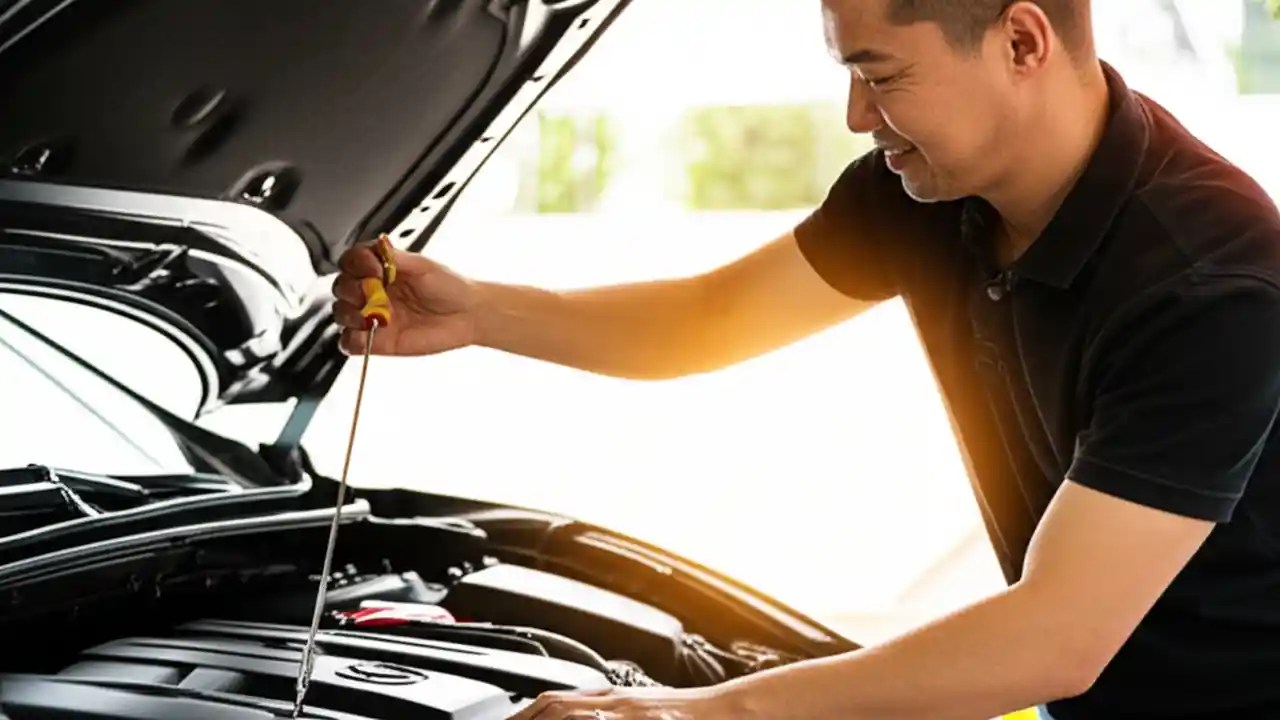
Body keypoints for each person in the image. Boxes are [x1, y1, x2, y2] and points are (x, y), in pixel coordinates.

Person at [331, 0, 1280, 717]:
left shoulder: (1211, 284)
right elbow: (706, 318)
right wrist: (479, 313)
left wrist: (694, 712)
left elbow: (1057, 638)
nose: (858, 114)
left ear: (1022, 43)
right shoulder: (924, 194)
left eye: (884, 74)